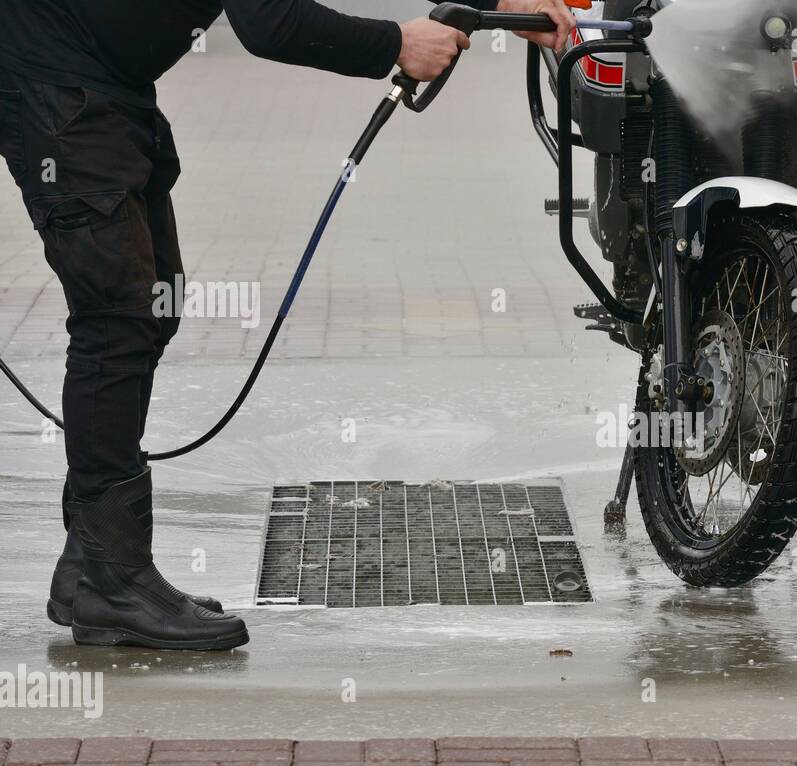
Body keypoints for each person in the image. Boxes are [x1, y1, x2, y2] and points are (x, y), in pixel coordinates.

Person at [0, 0, 575, 651]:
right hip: (55, 87)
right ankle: (113, 580)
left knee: (152, 305)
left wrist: (495, 6)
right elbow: (267, 20)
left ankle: (92, 563)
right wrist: (395, 43)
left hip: (97, 84)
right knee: (117, 321)